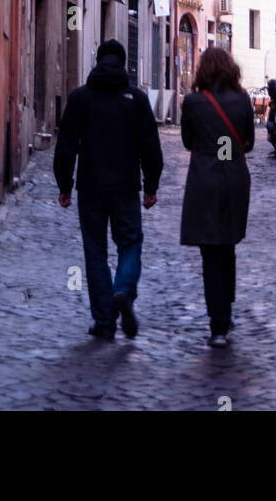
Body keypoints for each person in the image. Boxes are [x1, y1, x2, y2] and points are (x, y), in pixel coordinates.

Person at [54, 39, 163, 341]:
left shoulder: (80, 98)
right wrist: (151, 186)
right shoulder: (137, 100)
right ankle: (123, 289)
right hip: (126, 187)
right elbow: (151, 148)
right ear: (123, 63)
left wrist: (65, 185)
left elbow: (65, 147)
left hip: (90, 188)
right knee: (129, 243)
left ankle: (104, 321)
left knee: (95, 252)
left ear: (98, 62)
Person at [180, 45, 255, 347]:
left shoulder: (194, 102)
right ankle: (226, 309)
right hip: (234, 177)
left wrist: (212, 149)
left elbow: (187, 141)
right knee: (228, 245)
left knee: (211, 253)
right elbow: (248, 141)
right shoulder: (241, 100)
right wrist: (227, 151)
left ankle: (218, 324)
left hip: (205, 180)